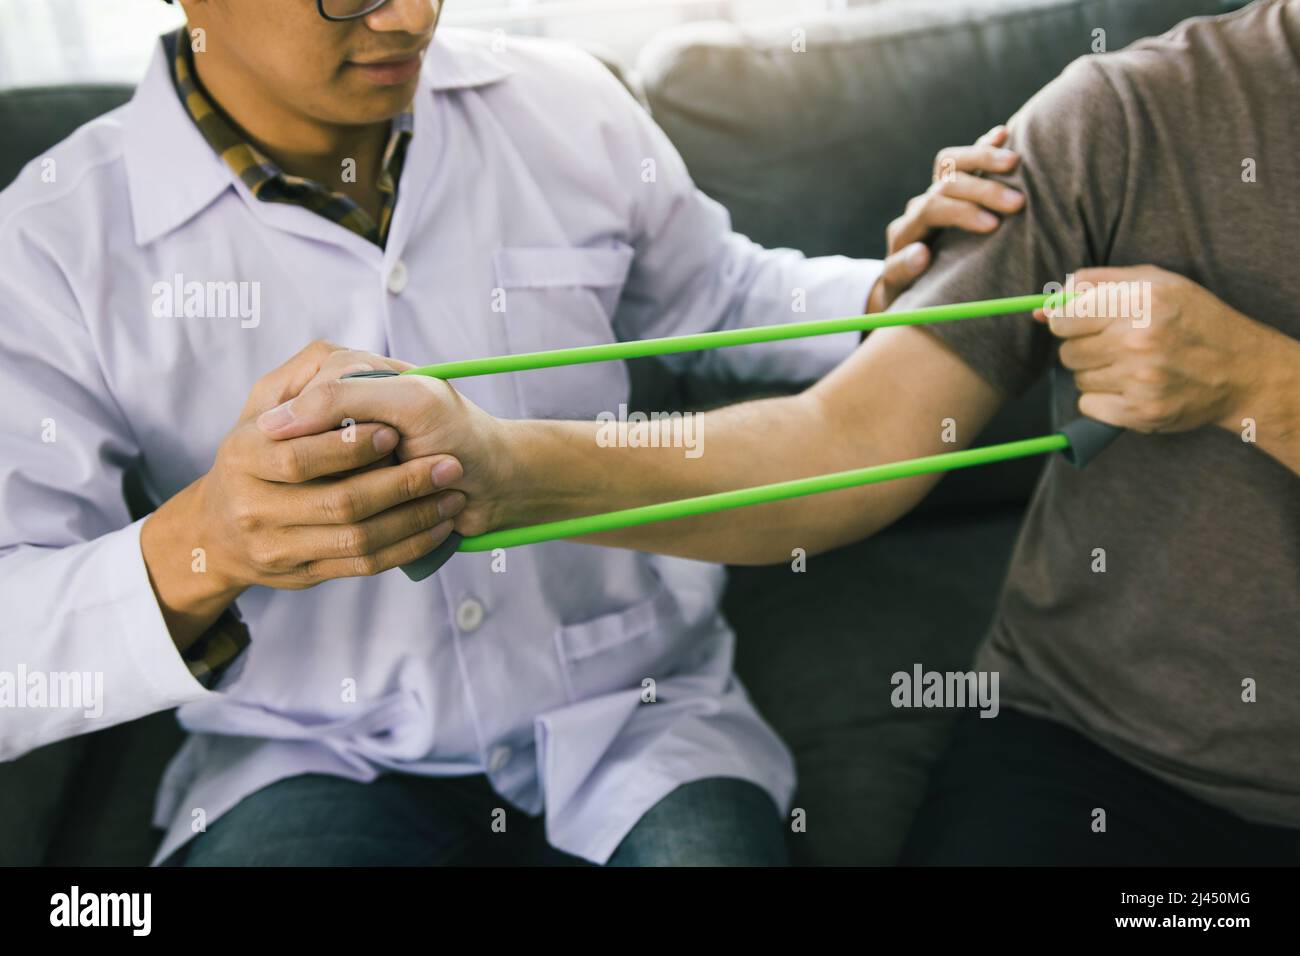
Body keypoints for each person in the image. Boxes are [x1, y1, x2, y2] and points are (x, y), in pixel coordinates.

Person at [0, 0, 1023, 865]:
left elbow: (723, 298)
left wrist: (908, 292)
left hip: (635, 716)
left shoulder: (564, 103)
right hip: (310, 749)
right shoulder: (52, 243)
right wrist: (206, 544)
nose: (413, 16)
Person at [291, 0, 1300, 864]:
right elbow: (840, 445)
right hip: (1104, 756)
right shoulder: (1121, 119)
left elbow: (720, 290)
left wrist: (1258, 379)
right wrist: (499, 466)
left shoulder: (552, 109)